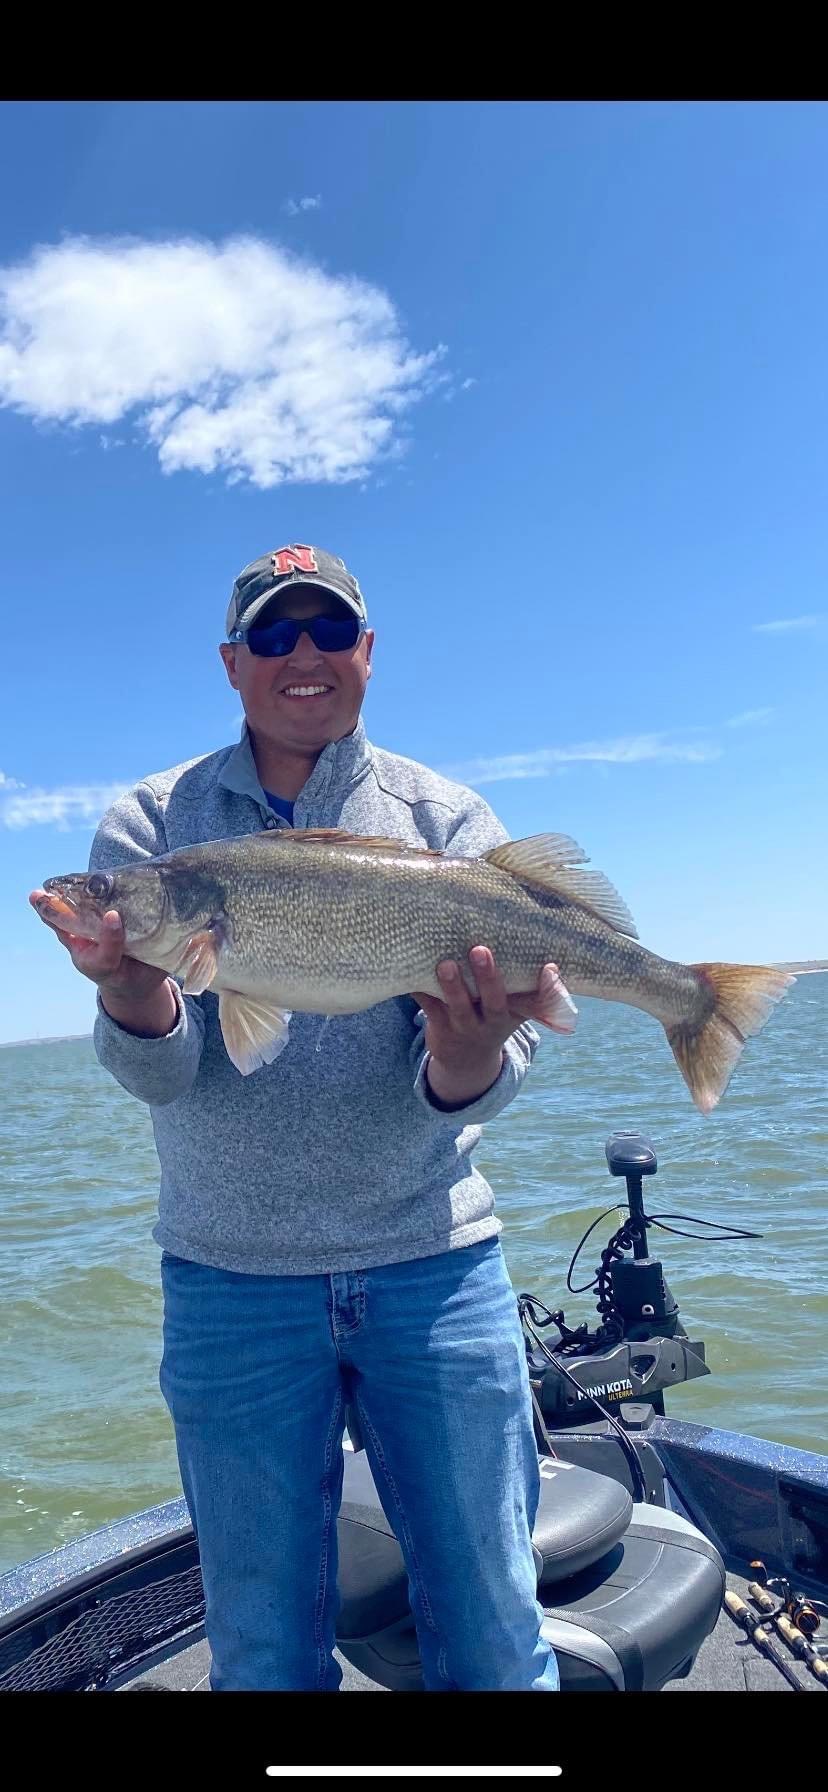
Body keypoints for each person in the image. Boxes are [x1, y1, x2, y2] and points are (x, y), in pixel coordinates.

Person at [31, 543, 564, 1693]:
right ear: (233, 664)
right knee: (263, 1652)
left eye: (328, 632)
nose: (303, 656)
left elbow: (499, 1058)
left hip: (435, 1263)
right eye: (273, 636)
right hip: (230, 1281)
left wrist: (471, 1049)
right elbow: (167, 1073)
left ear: (367, 653)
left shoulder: (445, 817)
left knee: (493, 1628)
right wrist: (130, 981)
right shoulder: (152, 825)